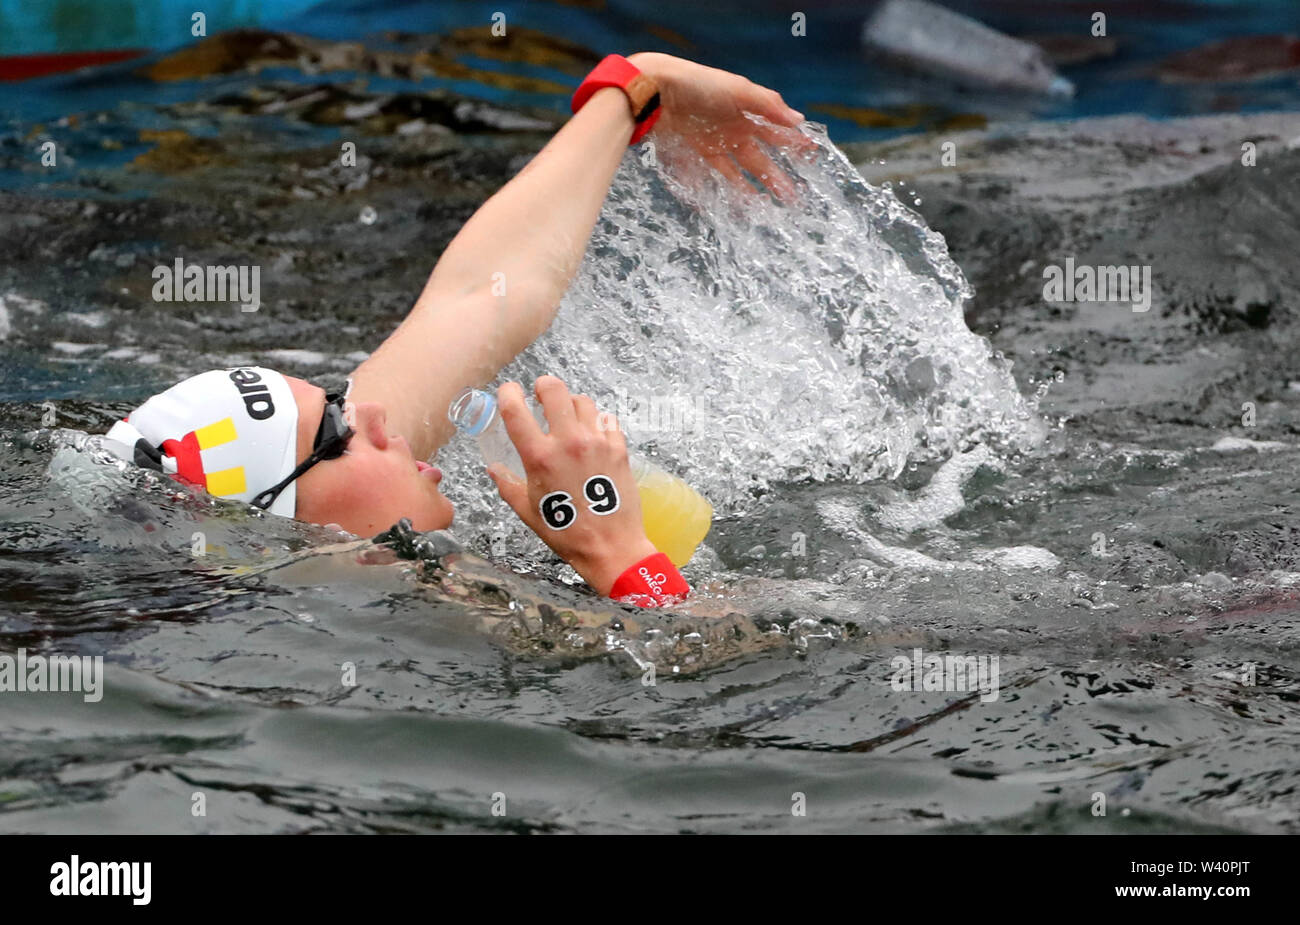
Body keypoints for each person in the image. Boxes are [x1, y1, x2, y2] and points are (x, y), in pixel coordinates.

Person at [102, 51, 806, 605]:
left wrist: (641, 83)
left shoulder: (334, 519)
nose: (374, 414)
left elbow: (481, 293)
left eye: (341, 405)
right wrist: (613, 552)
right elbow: (714, 677)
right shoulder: (426, 629)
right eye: (337, 433)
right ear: (268, 531)